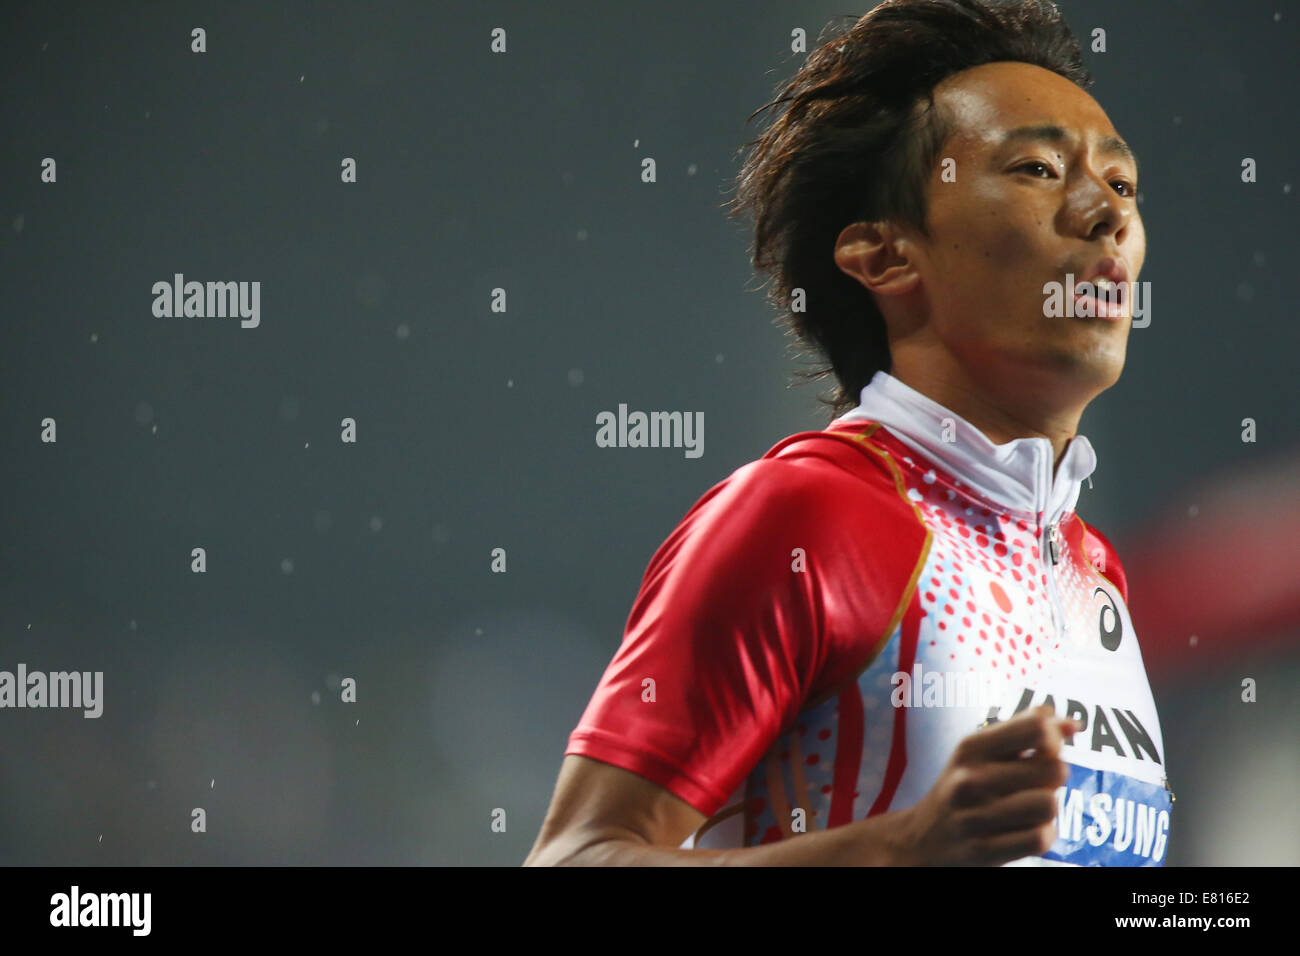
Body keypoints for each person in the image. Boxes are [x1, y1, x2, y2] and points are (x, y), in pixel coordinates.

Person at [526, 0, 1171, 866]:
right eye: (1037, 168)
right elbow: (575, 857)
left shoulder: (1097, 577)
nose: (1107, 213)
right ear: (886, 257)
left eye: (1122, 183)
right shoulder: (804, 516)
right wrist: (902, 849)